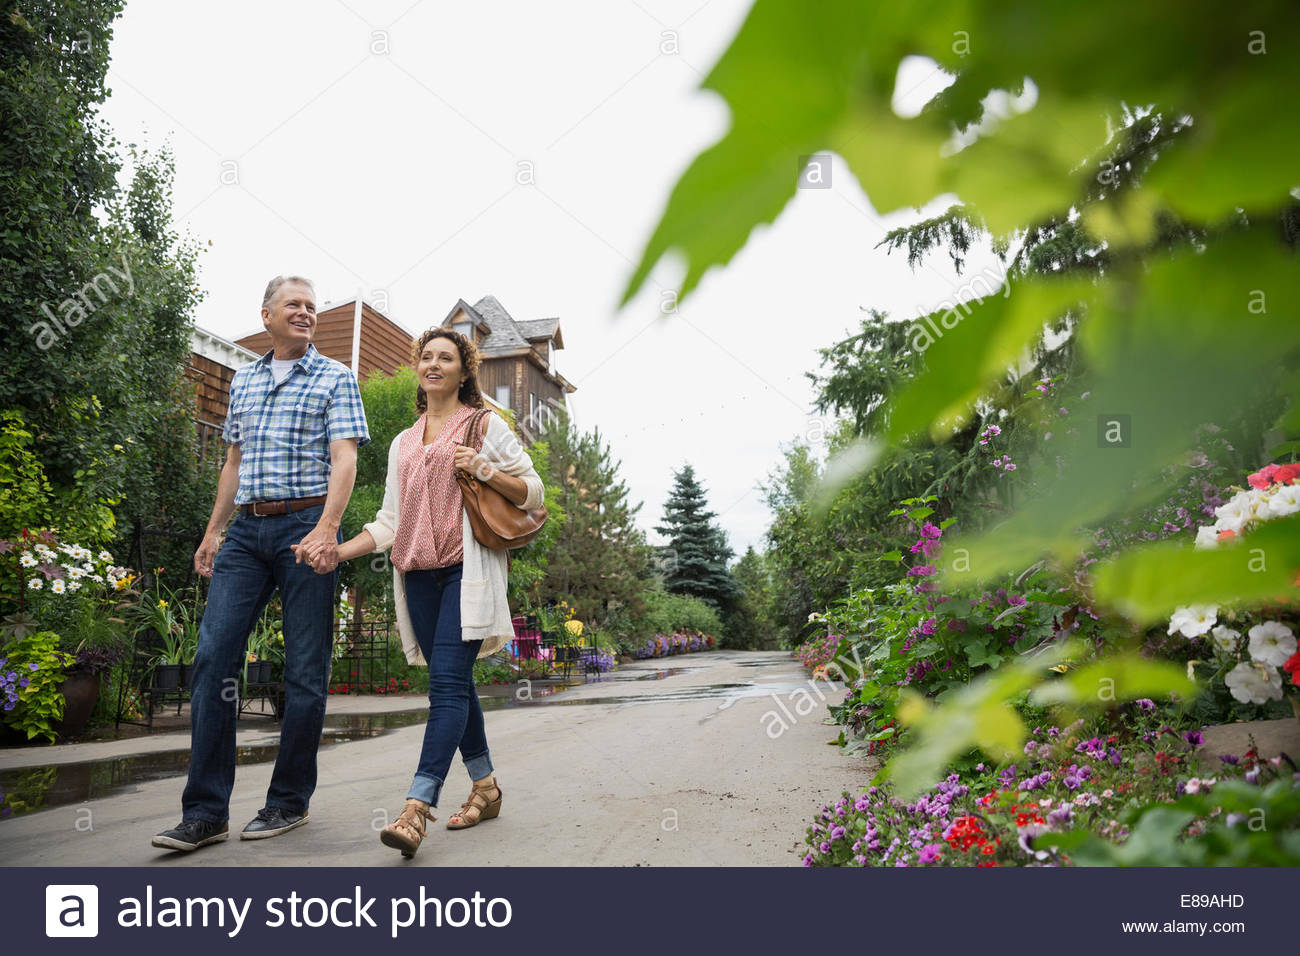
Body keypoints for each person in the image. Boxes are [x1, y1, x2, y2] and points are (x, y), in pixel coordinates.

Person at [306, 326, 542, 859]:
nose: (434, 364)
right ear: (419, 368)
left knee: (447, 689)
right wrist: (335, 552)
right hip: (418, 576)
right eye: (427, 357)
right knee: (452, 685)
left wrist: (482, 468)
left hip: (467, 572)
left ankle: (416, 809)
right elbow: (391, 520)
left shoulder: (484, 426)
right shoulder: (403, 442)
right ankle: (486, 787)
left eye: (446, 358)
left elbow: (533, 492)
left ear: (464, 371)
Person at [152, 275, 369, 852]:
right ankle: (204, 812)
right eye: (293, 305)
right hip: (246, 531)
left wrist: (327, 528)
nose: (305, 313)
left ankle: (287, 801)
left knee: (303, 670)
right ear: (267, 314)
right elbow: (233, 462)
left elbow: (344, 461)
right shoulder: (244, 380)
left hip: (306, 526)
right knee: (213, 659)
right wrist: (213, 531)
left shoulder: (336, 378)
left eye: (311, 307)